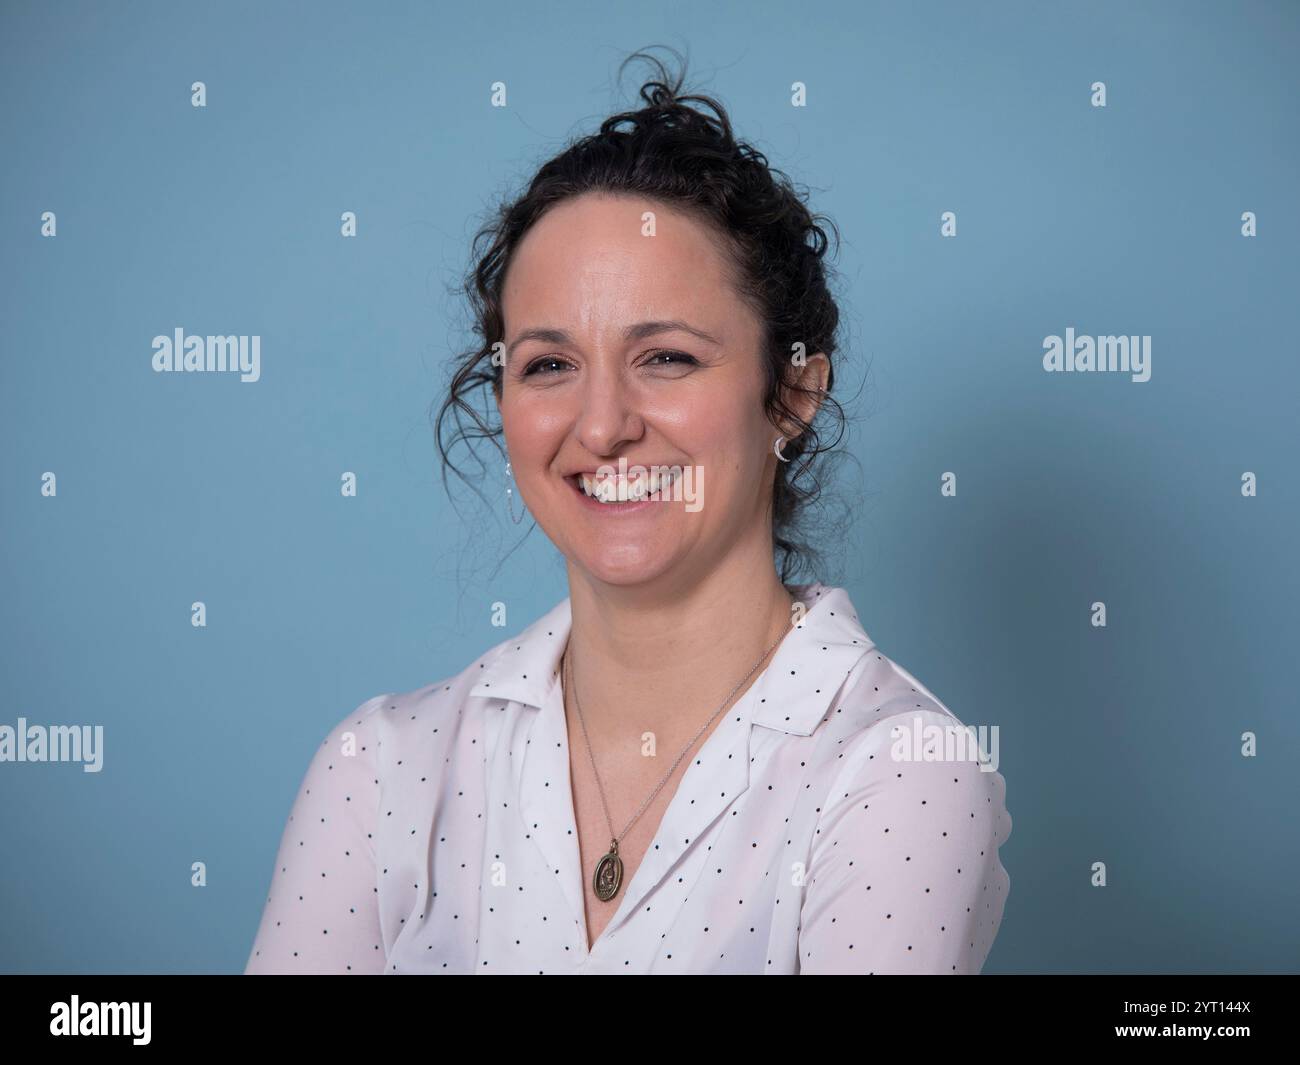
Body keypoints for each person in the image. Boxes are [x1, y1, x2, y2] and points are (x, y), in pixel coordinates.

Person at [244, 47, 1011, 975]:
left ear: (794, 391)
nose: (602, 426)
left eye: (669, 358)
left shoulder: (901, 772)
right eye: (549, 365)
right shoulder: (380, 768)